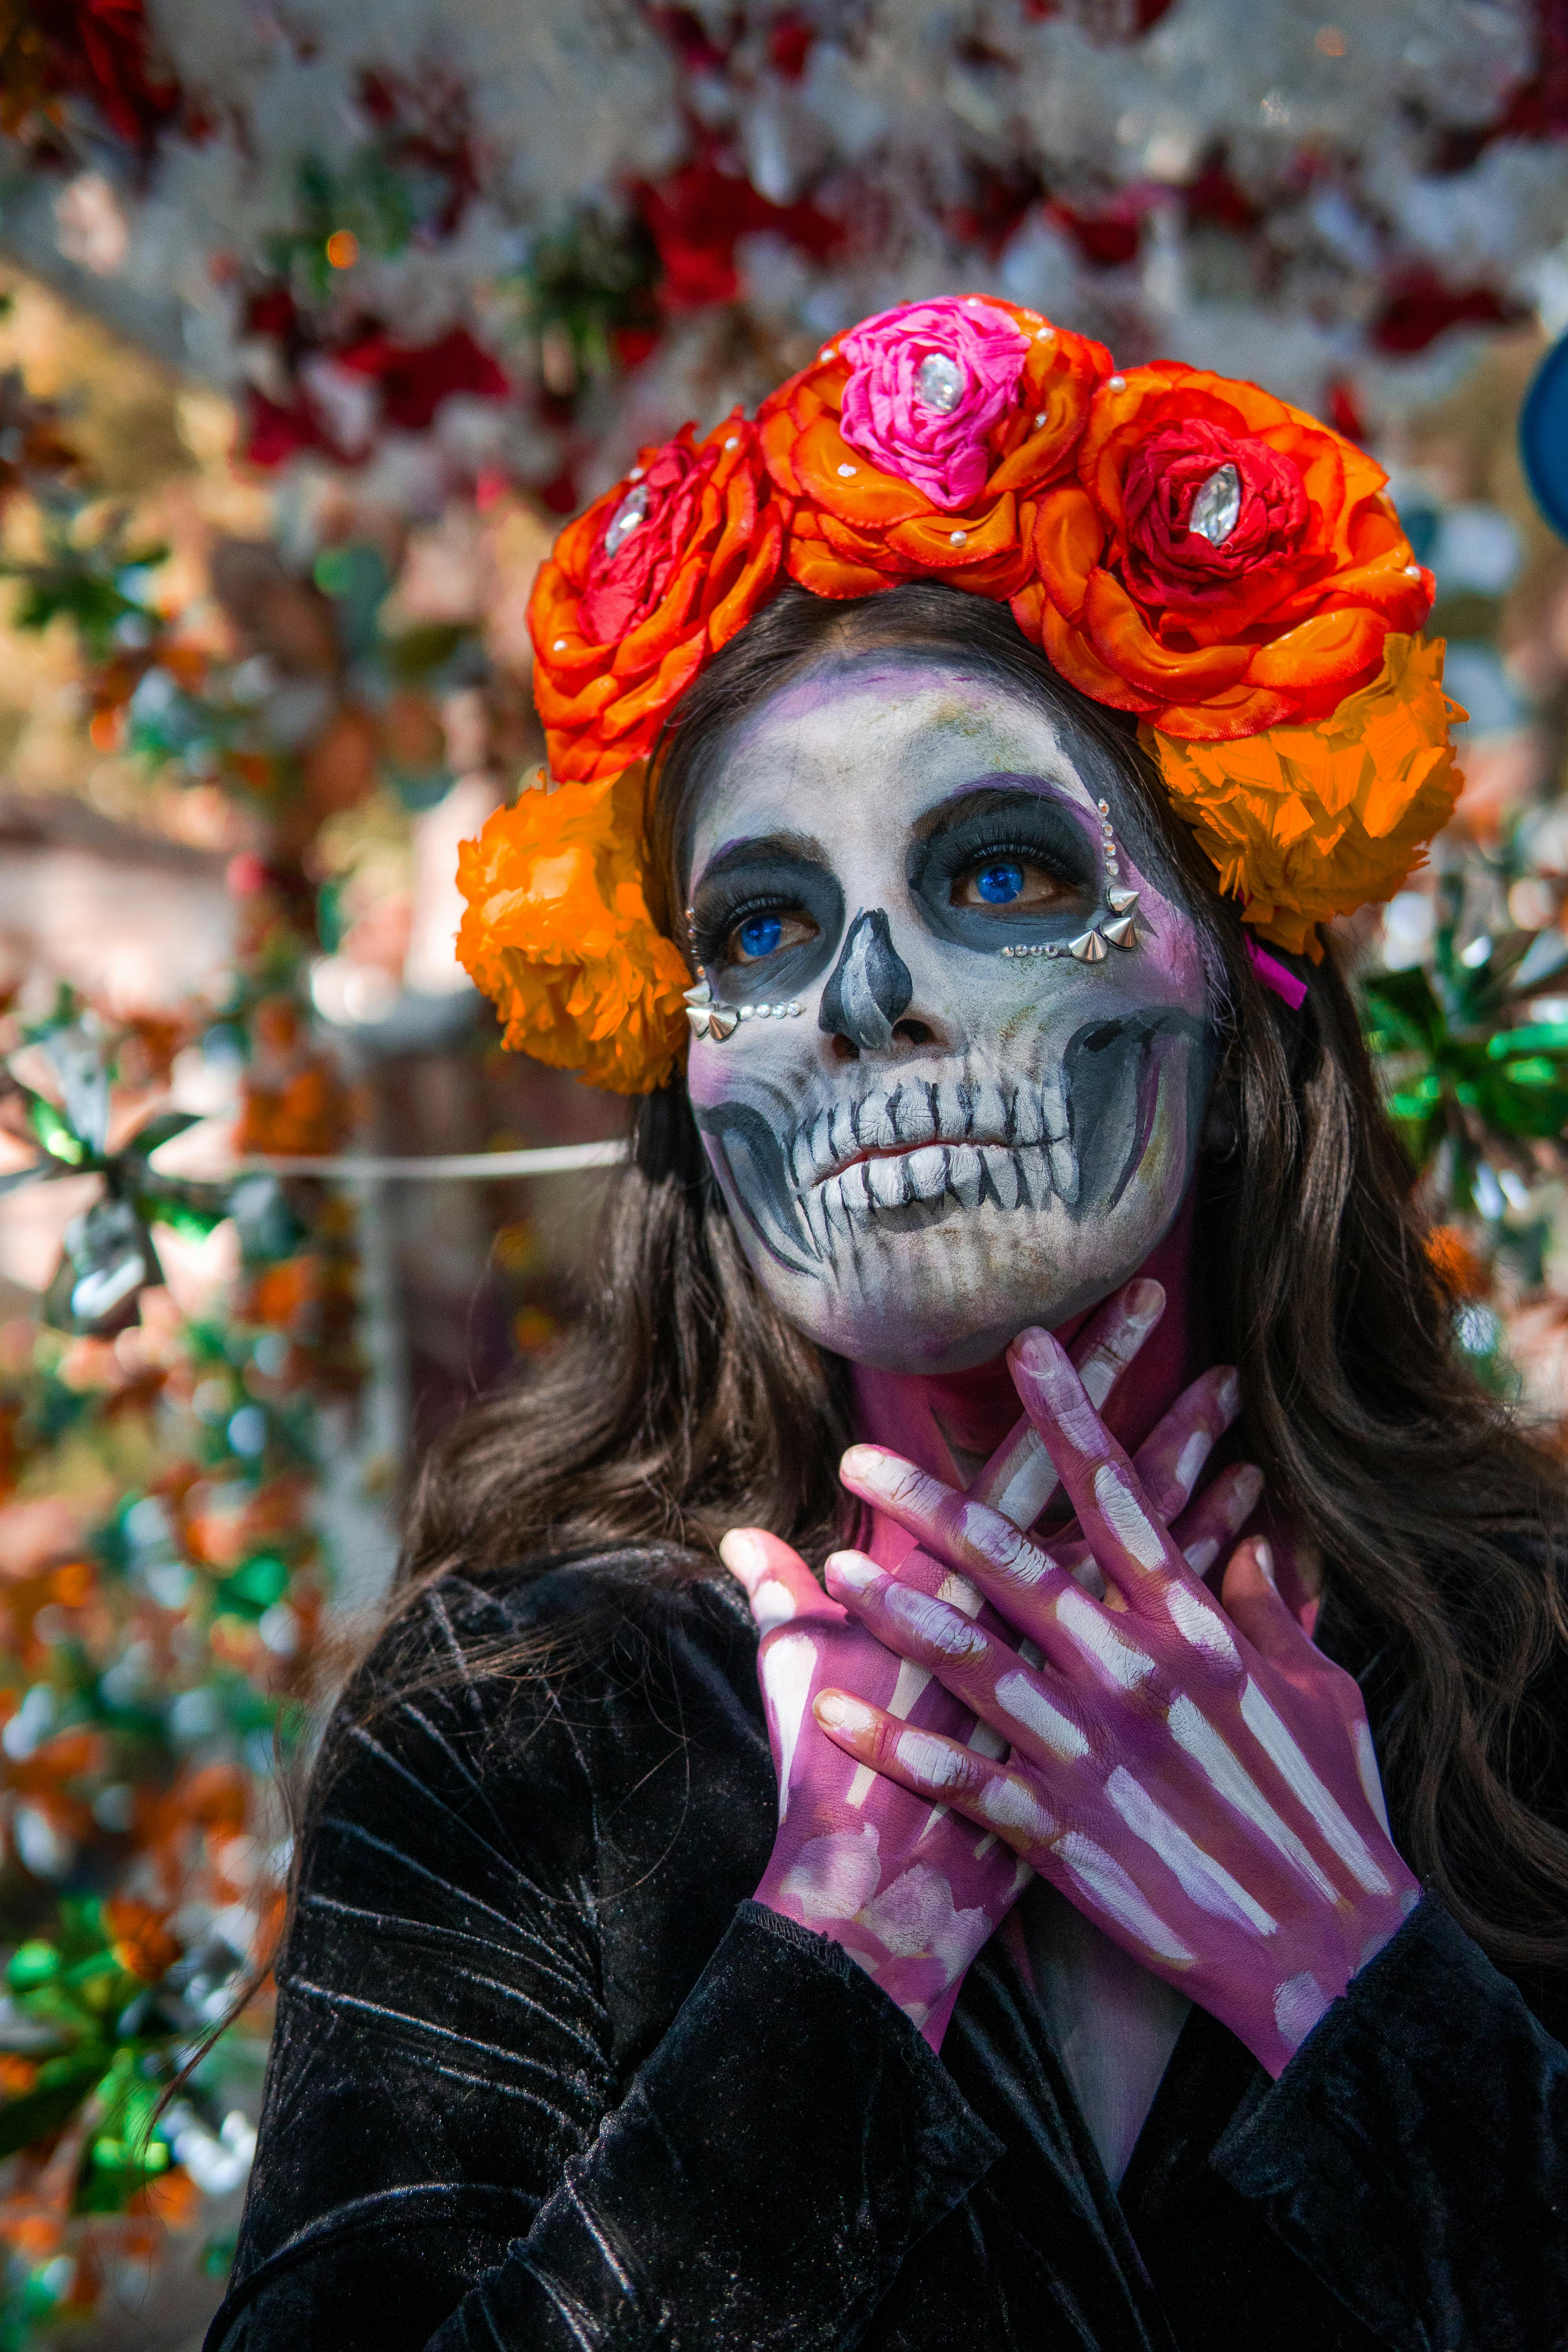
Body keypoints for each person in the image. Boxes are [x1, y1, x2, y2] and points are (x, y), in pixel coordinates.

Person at [207, 299, 1568, 2351]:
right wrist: (834, 1970)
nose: (860, 993)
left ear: (1240, 974)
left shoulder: (1529, 1644)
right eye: (758, 925)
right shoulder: (519, 1720)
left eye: (1003, 876)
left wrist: (1358, 1988)